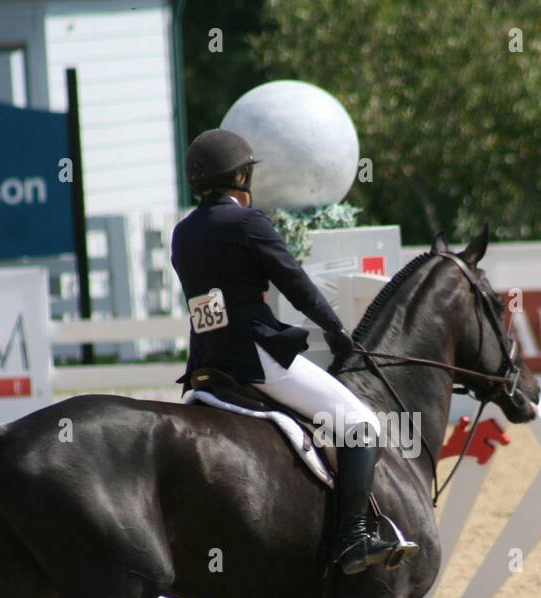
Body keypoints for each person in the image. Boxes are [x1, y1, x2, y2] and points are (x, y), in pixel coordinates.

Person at [171, 128, 417, 575]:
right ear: (240, 176)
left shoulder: (183, 233)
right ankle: (353, 540)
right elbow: (297, 285)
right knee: (360, 423)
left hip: (206, 363)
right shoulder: (249, 222)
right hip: (254, 359)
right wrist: (336, 330)